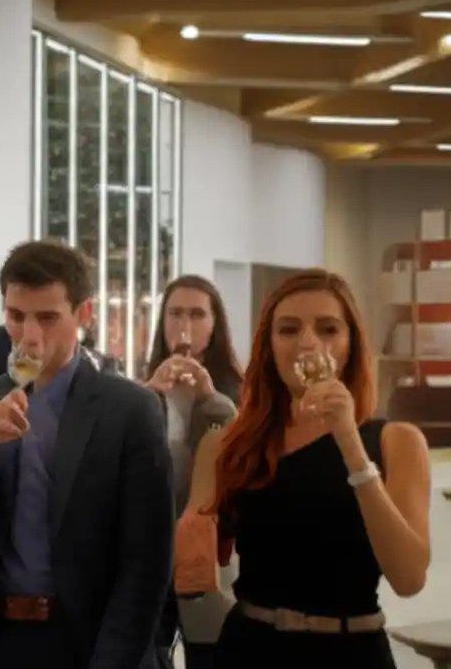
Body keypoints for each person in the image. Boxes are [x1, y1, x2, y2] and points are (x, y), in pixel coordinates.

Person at [0, 239, 173, 669]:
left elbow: (147, 564)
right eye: (16, 317)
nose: (30, 335)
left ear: (83, 314)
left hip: (86, 642)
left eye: (48, 317)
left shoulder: (129, 409)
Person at [206, 270, 430, 668]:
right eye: (289, 330)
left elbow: (409, 577)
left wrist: (348, 440)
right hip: (249, 649)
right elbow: (203, 549)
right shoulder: (240, 442)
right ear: (270, 347)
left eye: (328, 329)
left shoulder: (396, 441)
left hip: (350, 650)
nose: (308, 343)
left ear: (350, 345)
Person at [142, 275, 243, 669]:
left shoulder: (237, 393)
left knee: (210, 655)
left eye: (198, 314)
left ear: (215, 324)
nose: (185, 325)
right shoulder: (141, 392)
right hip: (151, 554)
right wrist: (147, 396)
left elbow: (240, 466)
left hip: (210, 558)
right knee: (149, 655)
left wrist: (211, 400)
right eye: (175, 313)